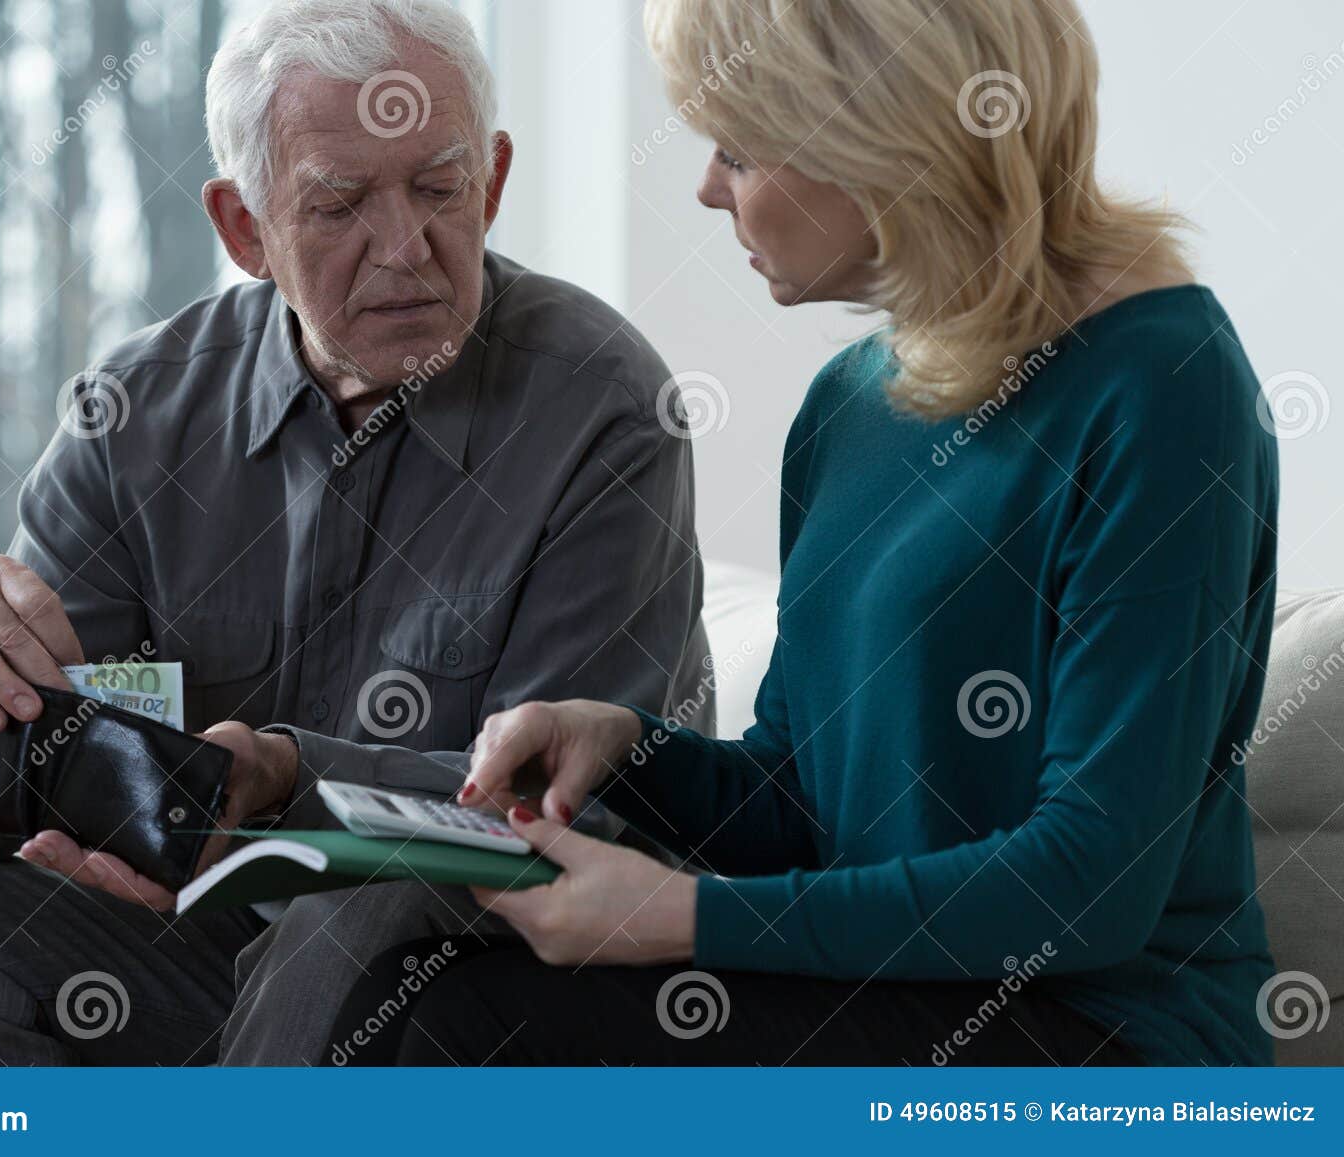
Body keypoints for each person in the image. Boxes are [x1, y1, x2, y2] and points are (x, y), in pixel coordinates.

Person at [335, 0, 1279, 1066]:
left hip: (1100, 1042)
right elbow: (799, 801)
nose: (707, 187)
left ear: (878, 140)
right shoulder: (849, 403)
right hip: (881, 1001)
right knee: (414, 990)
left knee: (466, 1027)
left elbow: (1091, 886)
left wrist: (678, 916)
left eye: (738, 151)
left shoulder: (1163, 378)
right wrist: (622, 748)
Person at [0, 0, 711, 1067]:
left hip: (483, 970)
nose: (405, 249)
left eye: (439, 188)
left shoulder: (603, 402)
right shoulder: (133, 416)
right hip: (201, 953)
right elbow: (24, 776)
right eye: (339, 205)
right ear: (244, 228)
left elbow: (574, 808)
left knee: (359, 907)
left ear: (493, 182)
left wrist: (293, 778)